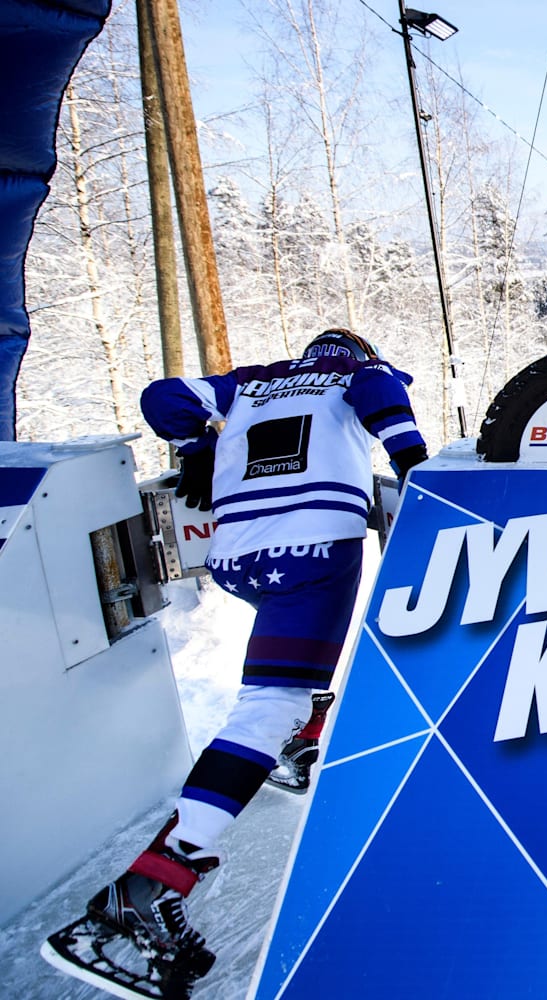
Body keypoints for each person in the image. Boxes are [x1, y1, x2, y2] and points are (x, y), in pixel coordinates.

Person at [44, 329, 427, 995]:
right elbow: (383, 396)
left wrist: (197, 443)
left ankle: (295, 737)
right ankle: (150, 884)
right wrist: (415, 469)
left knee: (289, 666)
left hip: (239, 556)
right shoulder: (355, 374)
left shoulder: (247, 381)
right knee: (269, 701)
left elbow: (161, 397)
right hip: (314, 552)